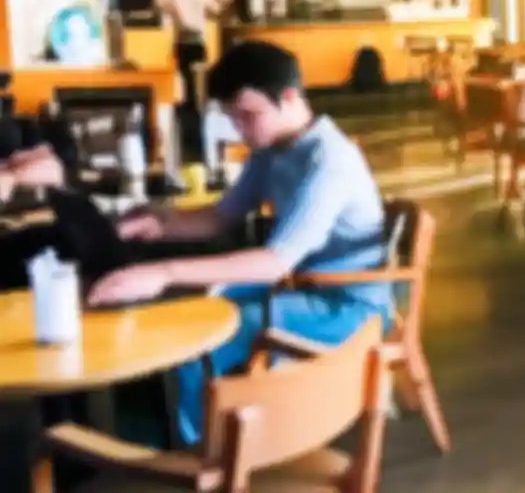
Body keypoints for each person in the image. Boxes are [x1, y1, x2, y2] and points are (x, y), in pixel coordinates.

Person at [88, 41, 389, 445]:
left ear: (289, 97)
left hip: (346, 306)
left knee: (205, 334)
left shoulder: (328, 160)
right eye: (234, 118)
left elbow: (274, 262)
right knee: (187, 306)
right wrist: (158, 223)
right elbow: (219, 216)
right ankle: (176, 427)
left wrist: (163, 271)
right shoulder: (271, 150)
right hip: (300, 285)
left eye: (249, 116)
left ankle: (197, 449)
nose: (241, 130)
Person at [155, 0, 222, 114]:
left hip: (180, 40)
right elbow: (216, 9)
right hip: (197, 39)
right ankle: (201, 106)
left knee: (184, 77)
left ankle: (187, 107)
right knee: (200, 76)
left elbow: (163, 16)